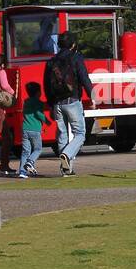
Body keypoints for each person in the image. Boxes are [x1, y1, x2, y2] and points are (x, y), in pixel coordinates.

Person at [43, 32, 97, 177]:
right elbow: (84, 77)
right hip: (72, 101)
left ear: (59, 45)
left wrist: (50, 103)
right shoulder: (76, 57)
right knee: (80, 134)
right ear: (73, 45)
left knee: (62, 135)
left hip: (57, 103)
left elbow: (46, 85)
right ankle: (67, 155)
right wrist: (92, 96)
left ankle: (66, 170)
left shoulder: (51, 61)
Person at [18, 82, 48, 179]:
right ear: (38, 92)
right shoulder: (38, 102)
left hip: (25, 129)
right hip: (35, 129)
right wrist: (47, 121)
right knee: (38, 149)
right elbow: (38, 114)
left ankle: (22, 172)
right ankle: (30, 162)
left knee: (25, 151)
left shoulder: (26, 101)